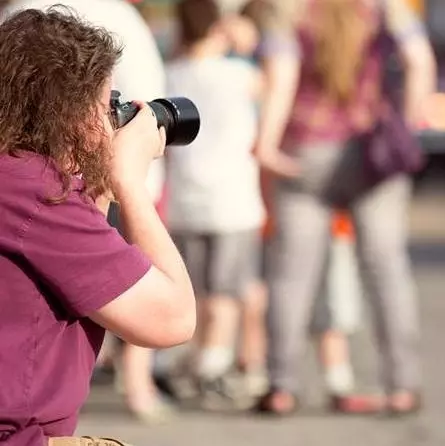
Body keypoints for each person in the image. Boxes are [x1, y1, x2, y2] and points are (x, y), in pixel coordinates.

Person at [0, 7, 195, 446]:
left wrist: (98, 178)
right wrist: (130, 182)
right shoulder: (35, 195)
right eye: (106, 102)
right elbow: (172, 320)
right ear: (69, 109)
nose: (112, 117)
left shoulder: (17, 180)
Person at [253, 0, 436, 415]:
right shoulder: (383, 8)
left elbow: (281, 79)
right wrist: (407, 126)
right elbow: (419, 61)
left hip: (306, 150)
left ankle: (282, 386)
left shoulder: (290, 11)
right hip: (373, 153)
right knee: (386, 270)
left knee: (291, 275)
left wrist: (266, 142)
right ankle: (402, 386)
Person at [164, 0, 265, 409]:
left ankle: (197, 359)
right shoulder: (240, 74)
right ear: (219, 28)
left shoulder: (171, 74)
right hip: (234, 200)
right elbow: (269, 84)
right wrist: (242, 45)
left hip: (186, 200)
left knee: (198, 287)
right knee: (225, 290)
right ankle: (213, 365)